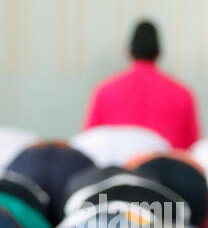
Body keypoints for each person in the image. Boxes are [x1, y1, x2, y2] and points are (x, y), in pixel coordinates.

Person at [83, 20, 199, 150]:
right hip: (165, 168)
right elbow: (191, 149)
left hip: (118, 168)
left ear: (129, 51)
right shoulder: (183, 94)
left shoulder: (105, 91)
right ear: (159, 52)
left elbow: (90, 144)